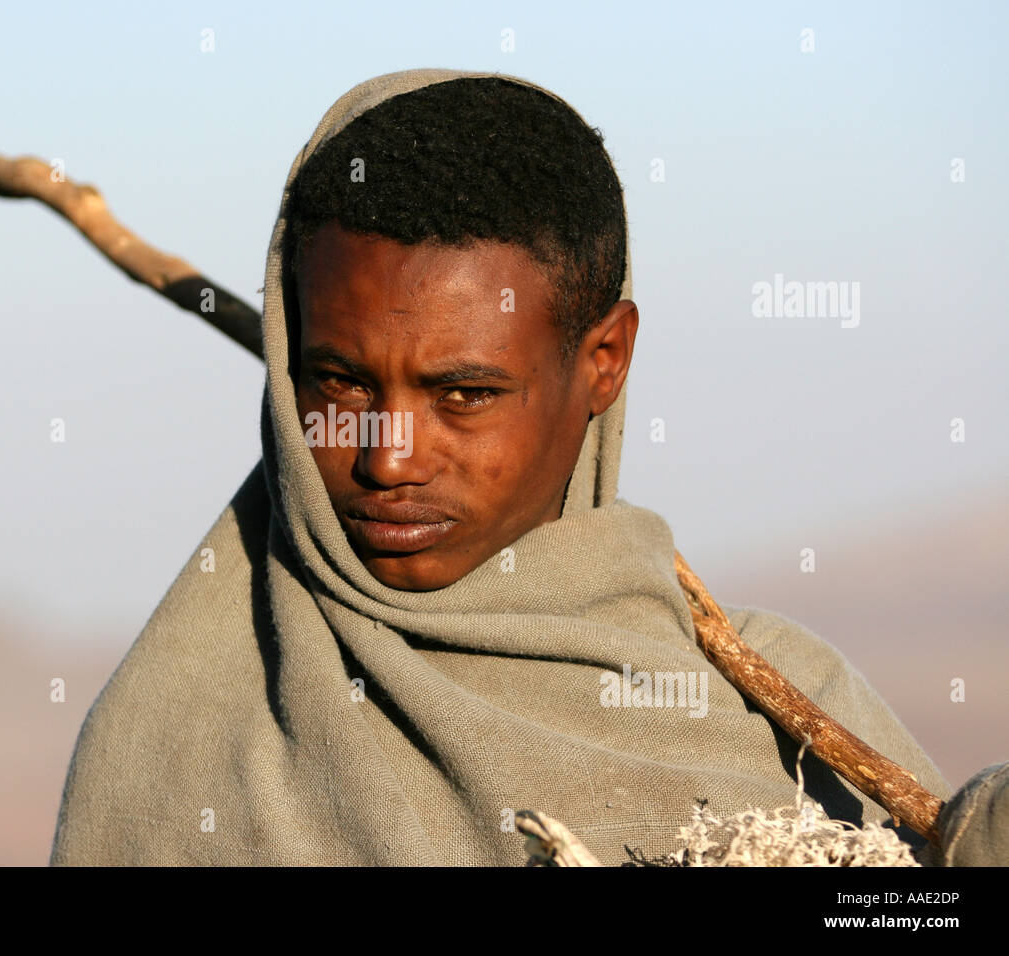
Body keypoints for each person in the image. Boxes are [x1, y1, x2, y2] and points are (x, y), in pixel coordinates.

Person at [50, 68, 966, 866]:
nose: (387, 459)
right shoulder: (178, 736)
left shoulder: (786, 715)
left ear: (604, 360)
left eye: (464, 394)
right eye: (342, 382)